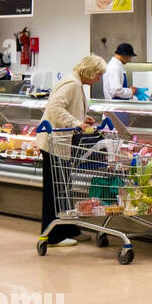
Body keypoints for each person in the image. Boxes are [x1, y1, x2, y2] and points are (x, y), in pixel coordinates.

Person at [37, 54, 106, 247]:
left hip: (61, 143)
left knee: (63, 189)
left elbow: (67, 108)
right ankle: (52, 236)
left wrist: (83, 120)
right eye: (98, 75)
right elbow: (54, 107)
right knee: (55, 190)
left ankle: (69, 229)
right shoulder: (72, 84)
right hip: (54, 143)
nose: (98, 79)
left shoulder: (75, 82)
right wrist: (76, 123)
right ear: (90, 71)